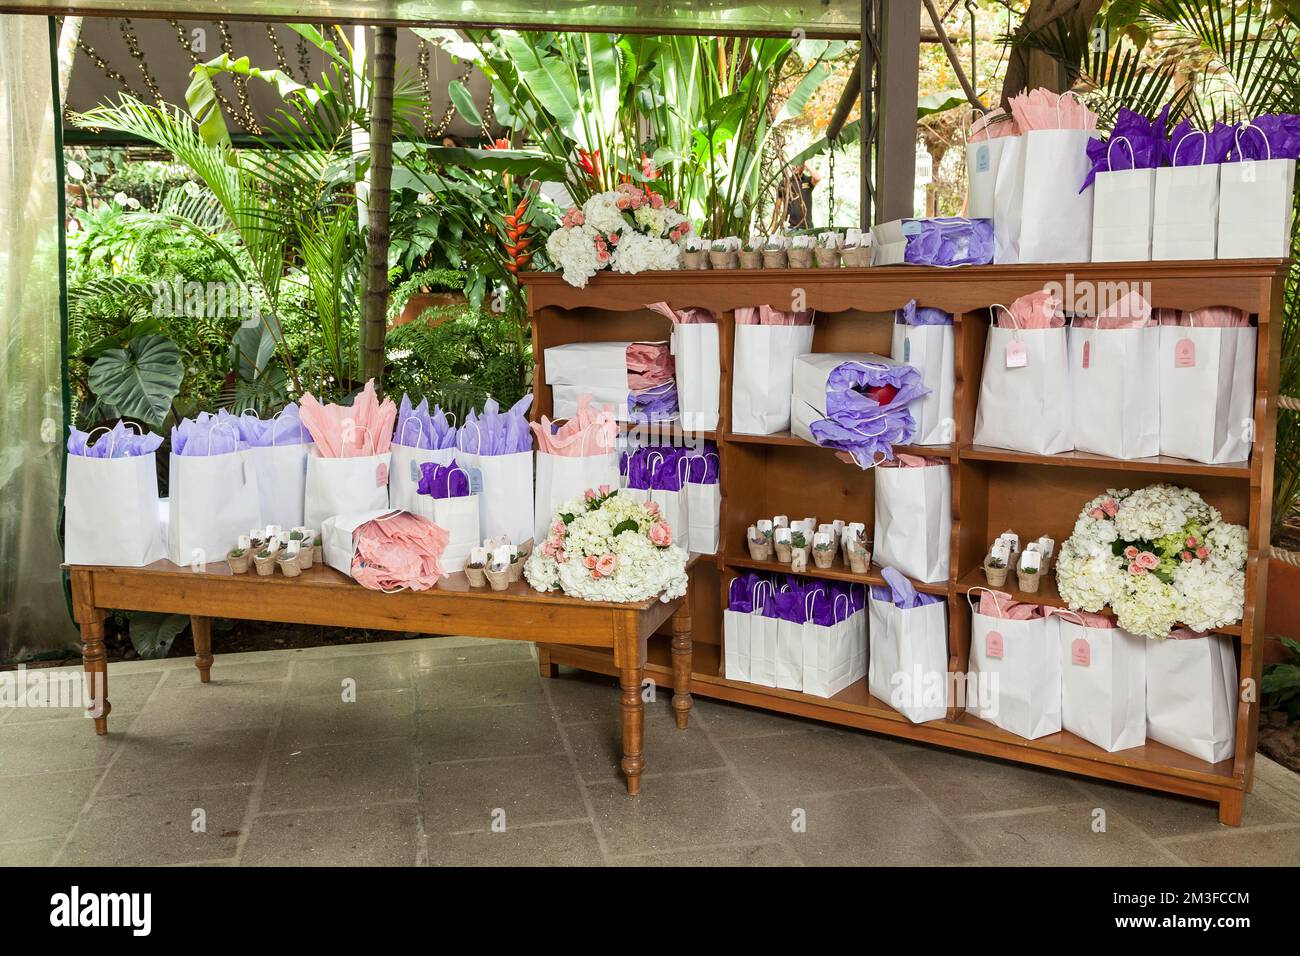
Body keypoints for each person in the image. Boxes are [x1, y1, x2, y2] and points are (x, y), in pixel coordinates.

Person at [784, 163, 821, 229]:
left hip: (807, 227)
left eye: (798, 164)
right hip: (789, 227)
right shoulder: (785, 182)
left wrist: (806, 162)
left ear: (803, 167)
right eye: (794, 164)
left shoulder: (808, 180)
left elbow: (817, 178)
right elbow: (777, 207)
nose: (795, 167)